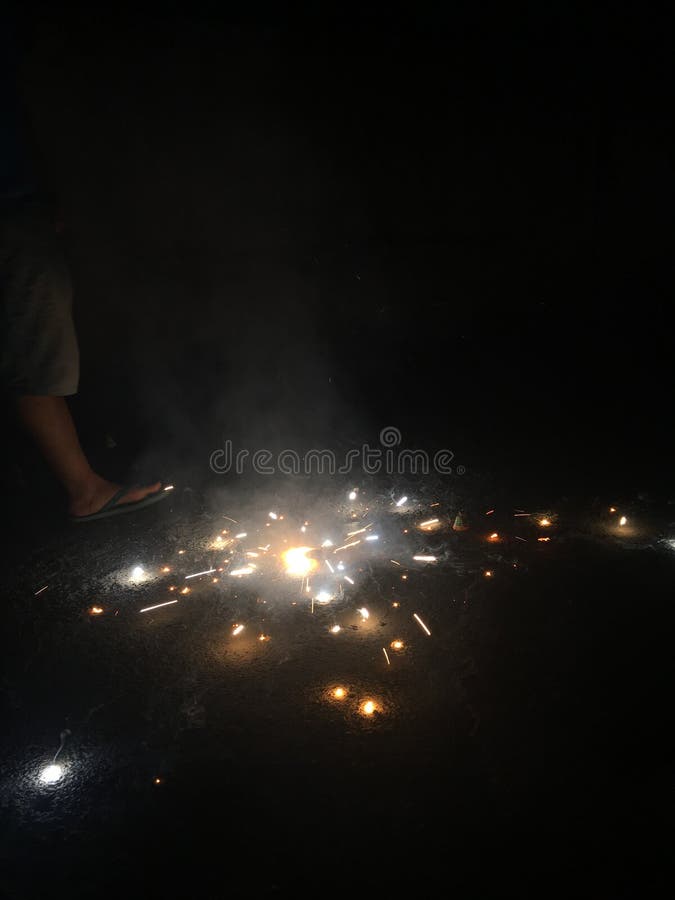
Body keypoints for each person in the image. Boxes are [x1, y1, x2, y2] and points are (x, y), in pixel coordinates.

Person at [1, 18, 171, 523]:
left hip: (20, 203)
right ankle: (84, 490)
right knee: (36, 347)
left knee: (34, 340)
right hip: (9, 210)